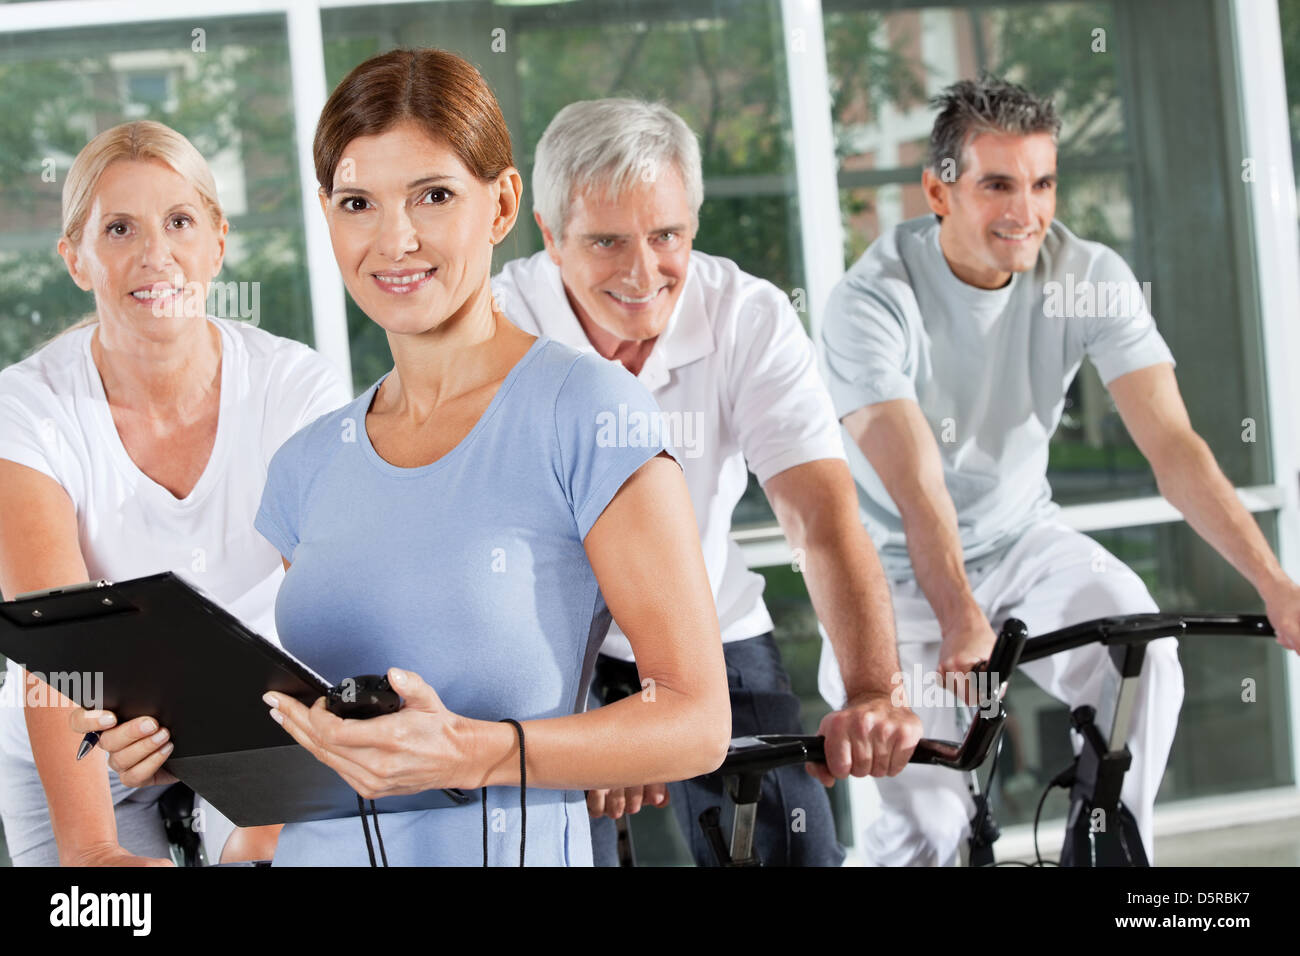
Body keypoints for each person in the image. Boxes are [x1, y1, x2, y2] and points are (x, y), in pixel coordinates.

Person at [87, 49, 731, 867]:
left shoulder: (588, 413)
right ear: (327, 217)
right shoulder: (308, 464)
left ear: (501, 205)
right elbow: (320, 748)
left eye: (433, 196)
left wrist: (478, 751)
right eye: (358, 203)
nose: (395, 240)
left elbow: (697, 722)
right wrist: (183, 749)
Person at [816, 75, 1300, 867]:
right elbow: (916, 485)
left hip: (1021, 541)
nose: (1027, 211)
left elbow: (1173, 447)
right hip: (890, 570)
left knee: (1142, 653)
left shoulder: (1087, 275)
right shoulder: (873, 300)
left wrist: (1276, 584)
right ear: (938, 191)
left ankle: (1102, 842)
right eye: (997, 184)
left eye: (1042, 183)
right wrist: (959, 614)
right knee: (931, 835)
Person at [492, 98, 922, 867]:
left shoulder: (748, 317)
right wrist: (588, 728)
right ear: (552, 239)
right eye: (606, 242)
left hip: (706, 622)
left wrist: (870, 692)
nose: (642, 271)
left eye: (666, 236)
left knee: (795, 847)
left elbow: (821, 519)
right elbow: (484, 540)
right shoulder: (496, 322)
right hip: (550, 640)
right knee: (551, 845)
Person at [0, 120, 351, 866]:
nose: (155, 253)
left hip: (256, 722)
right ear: (75, 258)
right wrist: (94, 852)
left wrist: (258, 839)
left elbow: (325, 622)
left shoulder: (297, 389)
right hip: (84, 733)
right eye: (119, 228)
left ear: (217, 242)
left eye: (180, 222)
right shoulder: (26, 407)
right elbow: (56, 649)